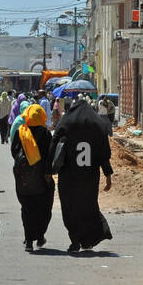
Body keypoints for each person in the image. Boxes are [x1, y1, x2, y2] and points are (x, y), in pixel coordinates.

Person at [52, 95, 114, 252]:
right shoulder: (97, 124)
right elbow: (103, 153)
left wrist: (49, 169)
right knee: (88, 206)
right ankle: (87, 240)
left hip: (69, 175)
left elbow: (54, 145)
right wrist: (108, 174)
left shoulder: (66, 122)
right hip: (90, 176)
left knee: (69, 207)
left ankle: (75, 240)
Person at [11, 103, 54, 250]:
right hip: (42, 180)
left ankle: (29, 240)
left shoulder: (20, 132)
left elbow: (14, 153)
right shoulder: (46, 134)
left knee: (27, 209)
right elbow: (50, 156)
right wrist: (48, 172)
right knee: (44, 208)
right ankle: (40, 235)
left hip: (23, 181)